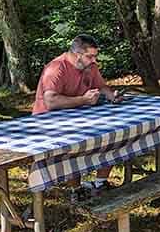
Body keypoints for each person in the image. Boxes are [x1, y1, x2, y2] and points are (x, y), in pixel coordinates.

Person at [32, 34, 122, 191]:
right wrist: (84, 100)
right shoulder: (56, 68)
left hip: (78, 117)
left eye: (95, 56)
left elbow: (101, 85)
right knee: (73, 148)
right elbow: (51, 101)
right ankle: (76, 190)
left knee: (114, 135)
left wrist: (111, 96)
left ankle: (100, 183)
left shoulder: (90, 66)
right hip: (47, 122)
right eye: (90, 56)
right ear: (77, 55)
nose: (94, 60)